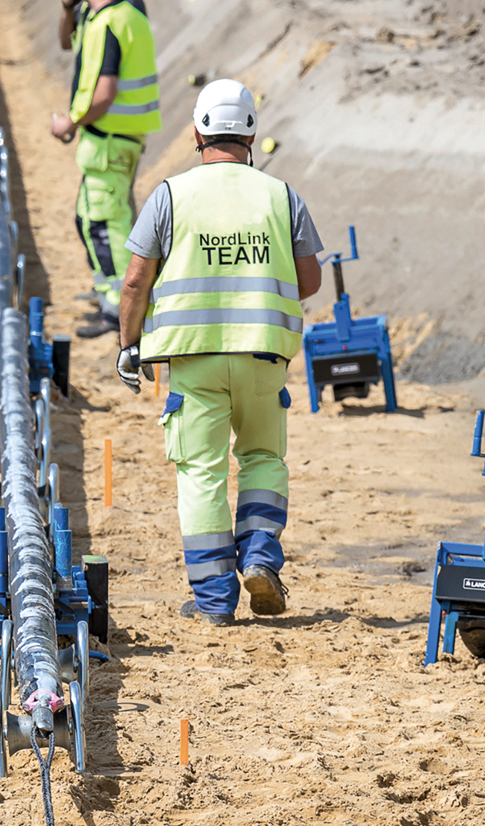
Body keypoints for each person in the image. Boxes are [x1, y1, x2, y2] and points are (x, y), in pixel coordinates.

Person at [113, 80, 324, 626]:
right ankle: (258, 556)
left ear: (198, 130)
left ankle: (213, 601)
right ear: (252, 131)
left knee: (201, 473)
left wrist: (128, 345)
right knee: (262, 459)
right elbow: (308, 279)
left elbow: (136, 281)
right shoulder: (281, 197)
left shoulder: (170, 196)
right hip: (262, 360)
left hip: (195, 364)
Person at [50, 0, 161, 338]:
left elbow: (105, 91)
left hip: (111, 140)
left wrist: (71, 122)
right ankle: (109, 297)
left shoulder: (108, 24)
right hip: (114, 139)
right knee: (90, 219)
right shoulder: (129, 15)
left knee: (105, 226)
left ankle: (118, 310)